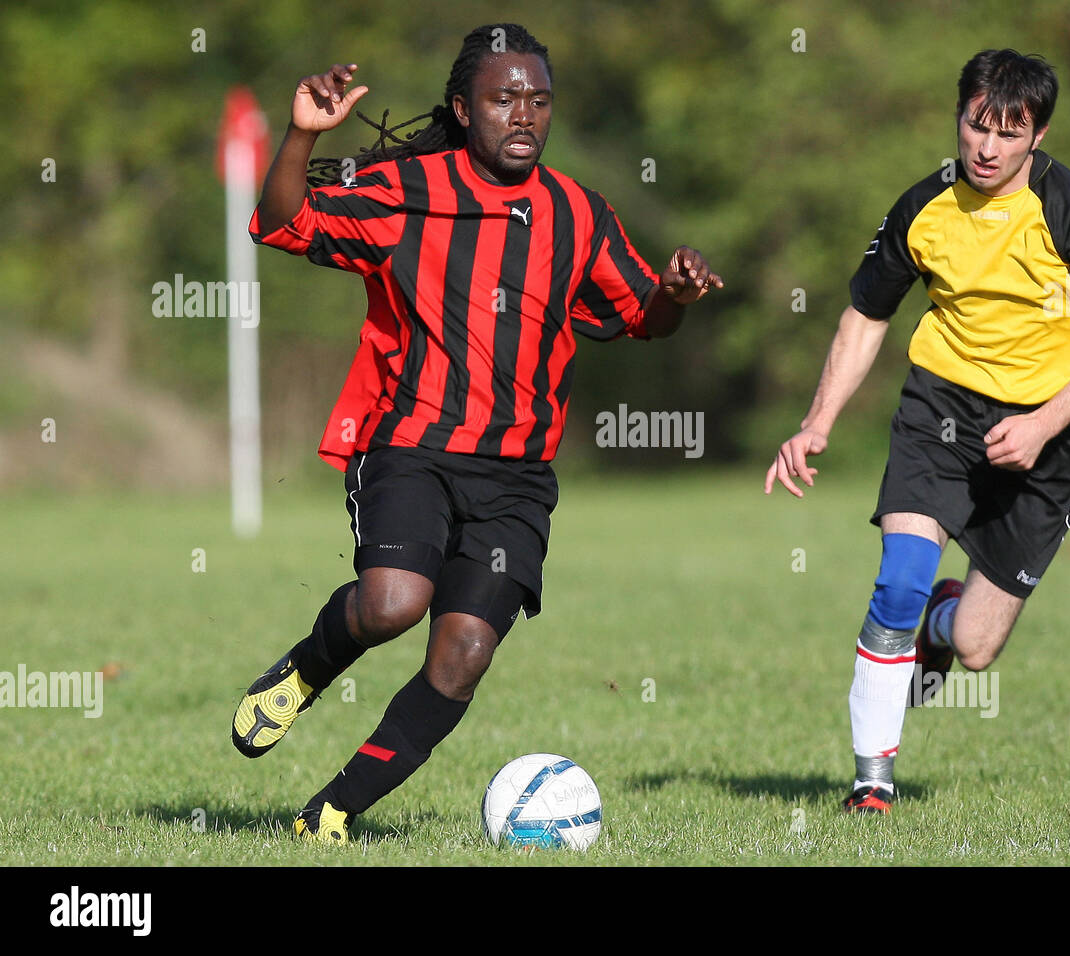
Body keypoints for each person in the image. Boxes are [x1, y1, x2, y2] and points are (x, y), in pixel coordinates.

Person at [232, 23, 722, 842]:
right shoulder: (407, 192)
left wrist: (675, 292)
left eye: (538, 99)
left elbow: (644, 317)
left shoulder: (578, 212)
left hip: (518, 476)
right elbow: (284, 223)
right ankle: (307, 670)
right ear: (463, 109)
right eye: (503, 99)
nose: (524, 114)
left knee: (460, 656)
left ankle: (330, 813)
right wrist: (301, 136)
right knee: (393, 604)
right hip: (412, 449)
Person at [764, 49, 1070, 814]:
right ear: (959, 115)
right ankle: (871, 785)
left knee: (975, 648)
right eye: (977, 125)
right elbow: (866, 313)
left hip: (1051, 434)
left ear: (1038, 135)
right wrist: (816, 423)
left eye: (1009, 133)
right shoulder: (923, 207)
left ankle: (943, 620)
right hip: (941, 415)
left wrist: (1042, 424)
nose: (986, 147)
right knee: (897, 583)